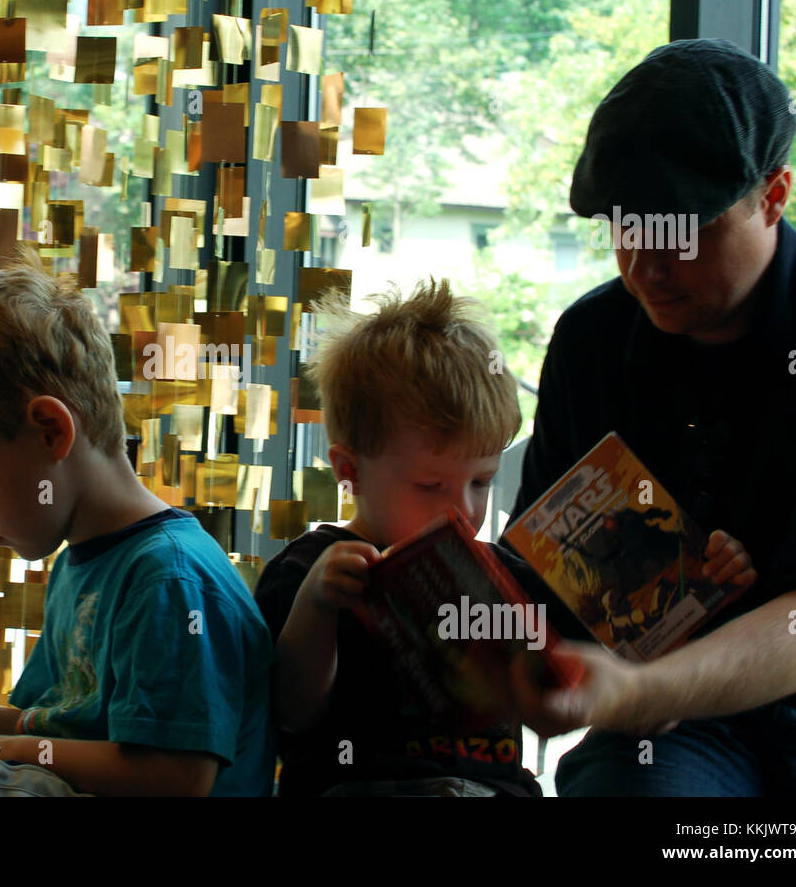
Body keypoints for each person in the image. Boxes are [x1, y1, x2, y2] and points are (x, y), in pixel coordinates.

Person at [505, 38, 796, 795]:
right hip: (670, 739)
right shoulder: (592, 341)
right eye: (625, 229)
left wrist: (638, 690)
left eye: (683, 229)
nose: (647, 266)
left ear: (775, 195)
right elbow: (545, 583)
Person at [252, 280, 751, 796]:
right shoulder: (312, 570)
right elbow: (292, 713)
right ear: (349, 469)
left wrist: (695, 594)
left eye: (482, 481)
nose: (464, 508)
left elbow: (620, 702)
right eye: (430, 485)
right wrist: (317, 605)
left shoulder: (507, 578)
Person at [0, 245, 276, 797]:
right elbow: (45, 724)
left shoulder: (169, 578)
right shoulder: (82, 562)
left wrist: (6, 749)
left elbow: (179, 777)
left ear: (51, 431)